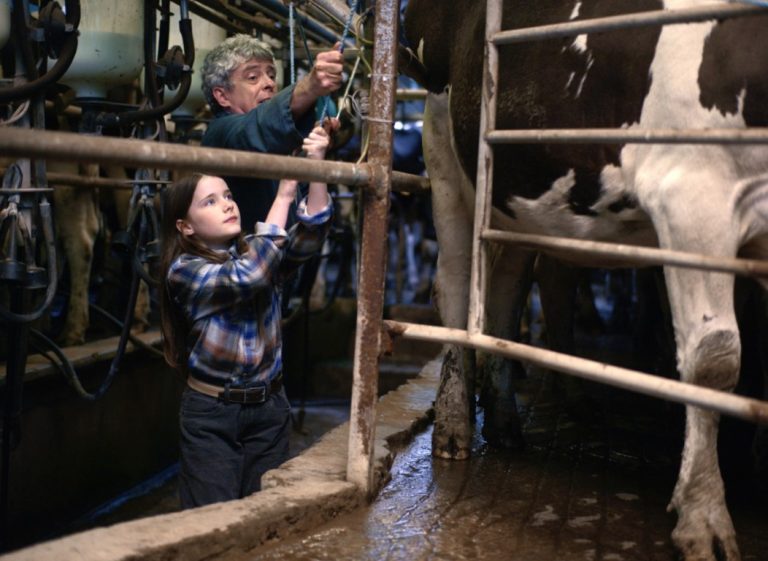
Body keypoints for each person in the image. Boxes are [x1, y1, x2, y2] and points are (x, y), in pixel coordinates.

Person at [159, 125, 333, 508]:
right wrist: (285, 192)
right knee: (211, 519)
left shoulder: (254, 254)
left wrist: (317, 167)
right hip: (212, 414)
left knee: (262, 515)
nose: (227, 204)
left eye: (228, 195)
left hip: (269, 408)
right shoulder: (184, 271)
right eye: (209, 202)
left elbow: (309, 238)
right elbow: (249, 277)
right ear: (185, 227)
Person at [200, 34, 344, 231]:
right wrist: (310, 86)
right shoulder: (221, 132)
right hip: (250, 258)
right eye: (253, 77)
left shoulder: (273, 142)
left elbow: (303, 204)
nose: (269, 83)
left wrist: (316, 143)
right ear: (223, 96)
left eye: (271, 75)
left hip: (283, 256)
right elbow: (258, 126)